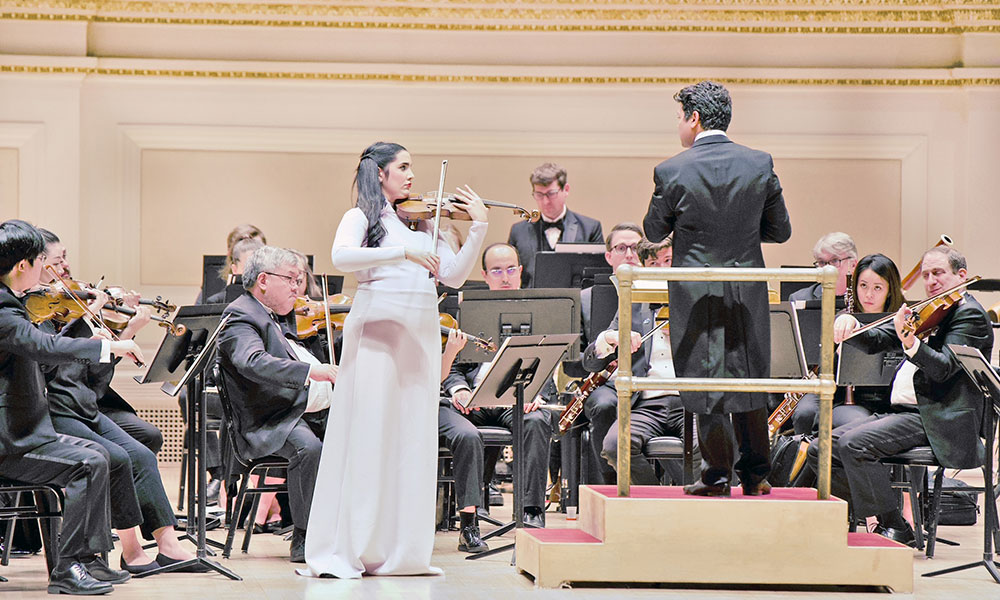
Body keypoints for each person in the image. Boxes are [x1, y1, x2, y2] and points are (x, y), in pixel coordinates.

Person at [302, 142, 488, 578]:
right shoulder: (363, 218)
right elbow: (341, 257)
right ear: (380, 173)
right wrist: (402, 252)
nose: (411, 176)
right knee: (369, 433)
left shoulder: (422, 224)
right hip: (377, 333)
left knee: (410, 437)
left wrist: (479, 227)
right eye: (403, 167)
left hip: (417, 333)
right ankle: (357, 542)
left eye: (411, 168)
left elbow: (454, 275)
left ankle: (401, 549)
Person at [643, 80, 792, 496]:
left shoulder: (672, 170)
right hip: (747, 290)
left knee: (703, 380)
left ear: (694, 118)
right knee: (749, 378)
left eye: (678, 118)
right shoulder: (759, 163)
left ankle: (716, 476)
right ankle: (756, 476)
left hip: (694, 293)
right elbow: (780, 231)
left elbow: (654, 231)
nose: (678, 126)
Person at [805, 246, 992, 544]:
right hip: (907, 414)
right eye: (927, 274)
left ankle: (893, 525)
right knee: (820, 448)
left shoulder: (969, 316)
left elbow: (943, 369)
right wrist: (853, 325)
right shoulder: (933, 310)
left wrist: (912, 344)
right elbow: (880, 339)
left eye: (938, 273)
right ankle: (849, 524)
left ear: (962, 276)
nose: (930, 281)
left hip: (937, 419)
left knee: (854, 444)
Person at [0, 219, 143, 594]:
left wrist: (88, 335)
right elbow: (42, 348)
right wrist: (105, 346)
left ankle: (91, 558)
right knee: (89, 462)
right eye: (39, 260)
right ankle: (68, 568)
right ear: (22, 266)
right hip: (9, 442)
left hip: (28, 433)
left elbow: (43, 360)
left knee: (101, 456)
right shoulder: (2, 311)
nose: (45, 268)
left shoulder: (15, 306)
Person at [217, 246, 337, 563]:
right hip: (265, 422)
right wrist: (310, 372)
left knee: (355, 432)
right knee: (308, 449)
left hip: (289, 411)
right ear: (265, 280)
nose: (298, 289)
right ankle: (304, 537)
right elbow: (252, 362)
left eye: (299, 281)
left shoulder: (265, 314)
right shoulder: (240, 316)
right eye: (292, 280)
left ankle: (343, 528)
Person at [439, 243, 553, 553]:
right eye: (498, 271)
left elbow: (550, 359)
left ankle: (531, 512)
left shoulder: (541, 310)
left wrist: (536, 392)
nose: (505, 277)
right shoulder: (466, 310)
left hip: (515, 397)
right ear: (485, 275)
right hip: (474, 400)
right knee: (465, 434)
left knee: (537, 420)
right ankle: (470, 522)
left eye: (511, 269)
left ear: (520, 271)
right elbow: (452, 368)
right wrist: (459, 390)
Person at [582, 234, 700, 486]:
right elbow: (591, 363)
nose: (662, 269)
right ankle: (654, 499)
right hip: (647, 405)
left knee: (710, 447)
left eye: (668, 260)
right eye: (654, 264)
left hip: (691, 402)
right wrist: (609, 338)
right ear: (644, 268)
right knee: (614, 447)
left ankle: (699, 510)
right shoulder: (634, 303)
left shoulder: (697, 302)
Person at [36, 228, 164, 455]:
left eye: (65, 257)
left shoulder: (73, 302)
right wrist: (88, 320)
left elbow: (96, 375)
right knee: (121, 454)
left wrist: (127, 330)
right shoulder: (39, 315)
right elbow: (66, 372)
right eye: (58, 261)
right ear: (38, 264)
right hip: (61, 407)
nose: (65, 266)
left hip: (89, 399)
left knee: (148, 436)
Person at [791, 253, 905, 435]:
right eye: (863, 286)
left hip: (880, 397)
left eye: (877, 288)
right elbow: (825, 366)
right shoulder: (843, 317)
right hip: (839, 393)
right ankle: (804, 458)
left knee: (858, 423)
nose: (868, 294)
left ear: (890, 290)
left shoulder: (899, 320)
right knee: (805, 412)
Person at [578, 222, 644, 483]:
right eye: (621, 248)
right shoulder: (586, 299)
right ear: (609, 256)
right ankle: (610, 479)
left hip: (644, 380)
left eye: (636, 248)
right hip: (605, 383)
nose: (629, 254)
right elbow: (581, 357)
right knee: (605, 405)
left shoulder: (657, 292)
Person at [507, 162, 603, 287]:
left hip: (575, 304)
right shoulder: (518, 231)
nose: (545, 201)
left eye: (551, 194)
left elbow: (596, 278)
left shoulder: (590, 228)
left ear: (566, 190)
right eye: (539, 195)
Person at [788, 232, 857, 303]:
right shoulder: (799, 299)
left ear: (853, 265)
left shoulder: (866, 299)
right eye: (822, 262)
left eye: (834, 260)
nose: (827, 268)